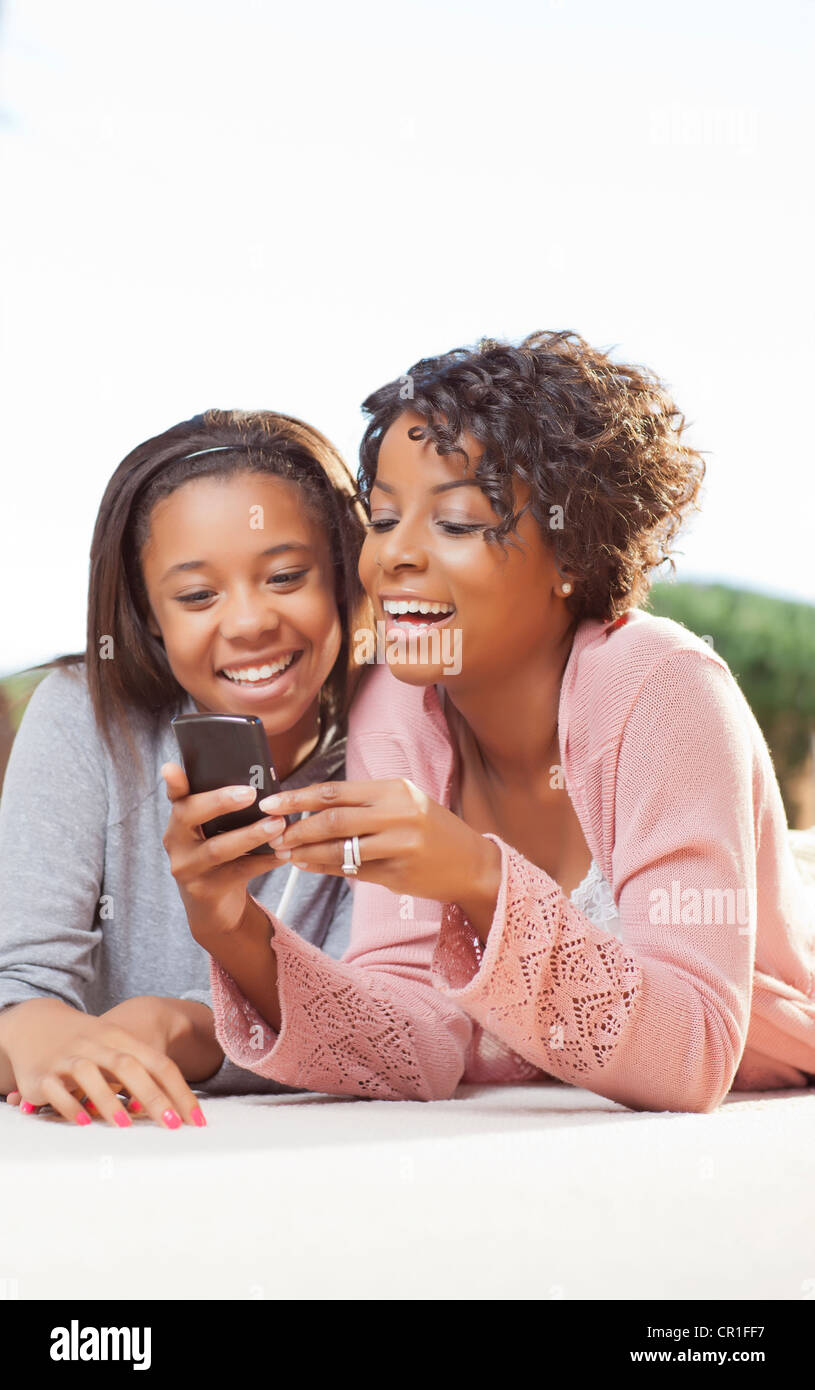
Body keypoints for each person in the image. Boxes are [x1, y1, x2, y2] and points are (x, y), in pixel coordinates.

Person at [190, 331, 815, 1113]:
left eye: (453, 524)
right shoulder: (396, 702)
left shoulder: (664, 689)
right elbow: (414, 1041)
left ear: (573, 557)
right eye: (382, 519)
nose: (393, 559)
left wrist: (477, 878)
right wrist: (232, 931)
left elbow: (693, 1055)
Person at [0, 408, 372, 1126]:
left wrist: (183, 1026)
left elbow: (373, 1021)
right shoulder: (84, 717)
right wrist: (30, 1027)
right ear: (147, 617)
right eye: (197, 595)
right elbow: (16, 985)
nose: (248, 622)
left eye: (286, 575)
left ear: (343, 575)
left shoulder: (396, 732)